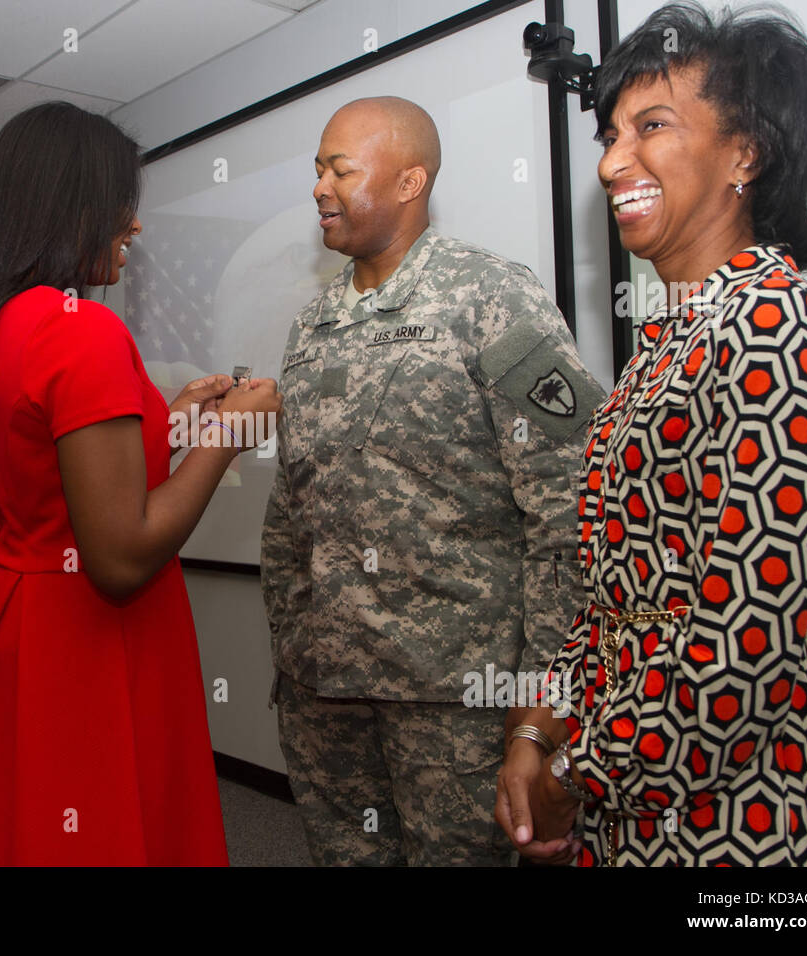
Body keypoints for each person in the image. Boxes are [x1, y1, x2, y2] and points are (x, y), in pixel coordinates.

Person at [496, 2, 807, 866]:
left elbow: (747, 632)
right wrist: (536, 726)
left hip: (738, 819)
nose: (614, 161)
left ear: (746, 152)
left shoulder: (777, 318)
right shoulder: (668, 341)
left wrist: (573, 775)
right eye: (611, 135)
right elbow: (616, 606)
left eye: (651, 126)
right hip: (630, 799)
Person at [260, 96, 603, 865]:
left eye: (340, 169)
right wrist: (290, 643)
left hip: (454, 703)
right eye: (317, 168)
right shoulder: (311, 326)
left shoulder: (492, 298)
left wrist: (539, 710)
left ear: (410, 180)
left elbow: (571, 509)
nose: (320, 186)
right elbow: (291, 507)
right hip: (325, 696)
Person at [0, 102, 282, 866]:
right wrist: (230, 434)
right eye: (123, 204)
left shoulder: (11, 322)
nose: (134, 227)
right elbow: (121, 556)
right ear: (74, 206)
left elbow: (56, 484)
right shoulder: (82, 327)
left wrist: (165, 424)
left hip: (18, 616)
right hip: (85, 637)